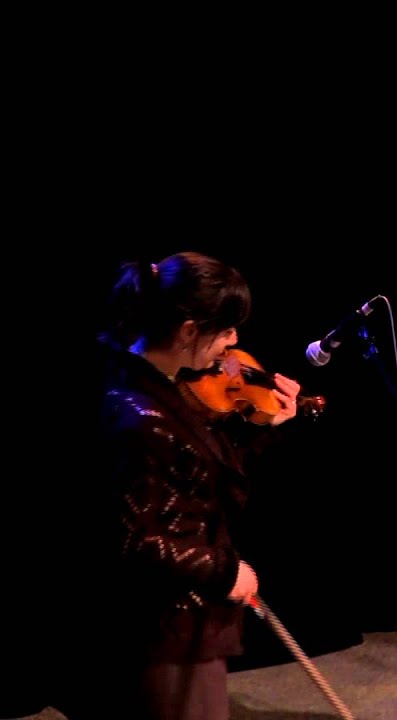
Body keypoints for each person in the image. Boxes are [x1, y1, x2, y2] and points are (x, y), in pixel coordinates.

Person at [69, 251, 301, 720]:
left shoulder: (161, 388)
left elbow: (198, 475)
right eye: (226, 329)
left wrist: (267, 426)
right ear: (190, 330)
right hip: (166, 631)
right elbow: (138, 541)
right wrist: (225, 571)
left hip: (186, 621)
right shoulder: (139, 417)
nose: (234, 343)